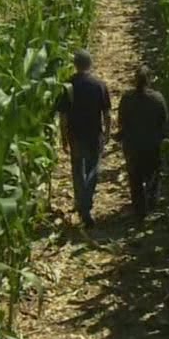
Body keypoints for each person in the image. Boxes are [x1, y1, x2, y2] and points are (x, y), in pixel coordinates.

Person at [55, 49, 111, 229]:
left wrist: (63, 138)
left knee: (78, 170)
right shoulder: (99, 85)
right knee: (94, 168)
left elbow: (63, 116)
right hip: (94, 134)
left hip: (75, 135)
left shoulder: (68, 86)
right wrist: (108, 132)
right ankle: (85, 203)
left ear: (75, 65)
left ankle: (82, 203)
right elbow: (107, 113)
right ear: (90, 64)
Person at [117, 66, 169, 219]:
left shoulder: (127, 98)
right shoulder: (158, 98)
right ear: (150, 80)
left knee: (135, 177)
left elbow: (121, 121)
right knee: (153, 174)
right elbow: (164, 121)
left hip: (132, 145)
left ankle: (139, 209)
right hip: (153, 144)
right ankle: (152, 204)